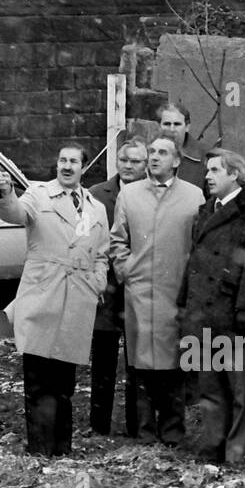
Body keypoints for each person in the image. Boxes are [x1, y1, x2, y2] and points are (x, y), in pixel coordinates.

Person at [0, 144, 109, 457]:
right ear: (56, 164)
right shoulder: (38, 194)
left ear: (84, 168)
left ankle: (61, 448)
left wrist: (98, 281)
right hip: (42, 295)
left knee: (63, 383)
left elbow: (102, 254)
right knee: (37, 379)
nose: (67, 166)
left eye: (74, 161)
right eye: (62, 160)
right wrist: (5, 193)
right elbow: (15, 213)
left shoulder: (95, 208)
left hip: (77, 300)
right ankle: (40, 449)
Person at [178, 149, 245, 464]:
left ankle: (240, 452)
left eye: (215, 170)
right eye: (207, 171)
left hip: (233, 313)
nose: (208, 176)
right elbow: (194, 263)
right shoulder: (206, 211)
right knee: (210, 386)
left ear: (235, 174)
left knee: (238, 390)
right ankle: (213, 445)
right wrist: (184, 304)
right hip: (202, 312)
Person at [109, 136, 204, 446]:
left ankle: (173, 429)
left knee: (174, 363)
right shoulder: (131, 195)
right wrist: (126, 272)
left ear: (176, 161)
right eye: (151, 152)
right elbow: (118, 240)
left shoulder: (194, 197)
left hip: (176, 292)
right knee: (140, 365)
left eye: (163, 153)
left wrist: (191, 286)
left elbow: (201, 245)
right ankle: (144, 430)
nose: (154, 157)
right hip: (139, 293)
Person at [87, 138, 147, 436]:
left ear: (145, 165)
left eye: (135, 161)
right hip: (106, 289)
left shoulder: (153, 195)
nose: (128, 165)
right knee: (103, 357)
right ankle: (99, 423)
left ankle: (138, 423)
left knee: (138, 359)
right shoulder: (97, 195)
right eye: (124, 159)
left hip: (140, 289)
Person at [157, 103, 211, 190]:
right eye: (167, 124)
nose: (172, 129)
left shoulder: (205, 156)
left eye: (177, 124)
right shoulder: (146, 153)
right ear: (159, 126)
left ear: (187, 127)